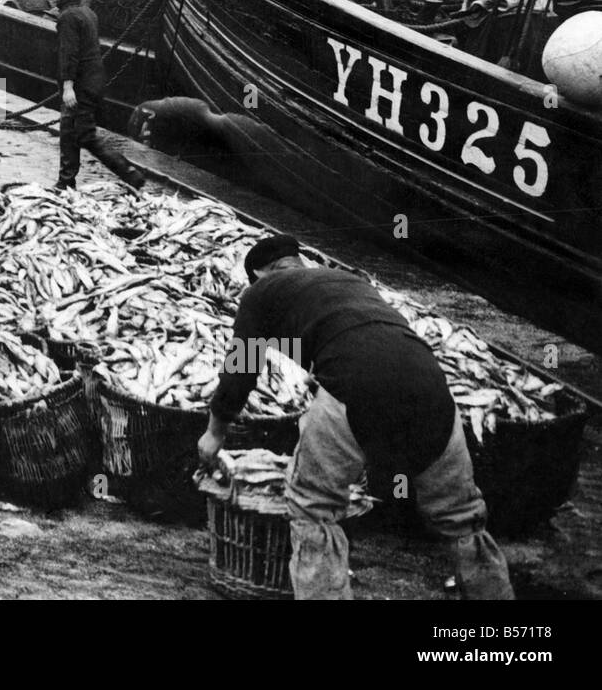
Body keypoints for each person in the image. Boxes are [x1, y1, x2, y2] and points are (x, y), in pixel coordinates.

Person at [197, 235, 515, 601]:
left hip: (355, 387)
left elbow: (241, 369)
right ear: (298, 262)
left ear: (259, 273)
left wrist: (214, 433)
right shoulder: (347, 282)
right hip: (431, 383)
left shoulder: (260, 293)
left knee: (313, 510)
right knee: (462, 518)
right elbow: (360, 341)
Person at [42, 0, 145, 191]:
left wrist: (68, 86)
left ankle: (129, 173)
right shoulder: (88, 12)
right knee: (69, 132)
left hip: (80, 85)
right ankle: (65, 182)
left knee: (85, 135)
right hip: (94, 81)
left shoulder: (68, 17)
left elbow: (68, 53)